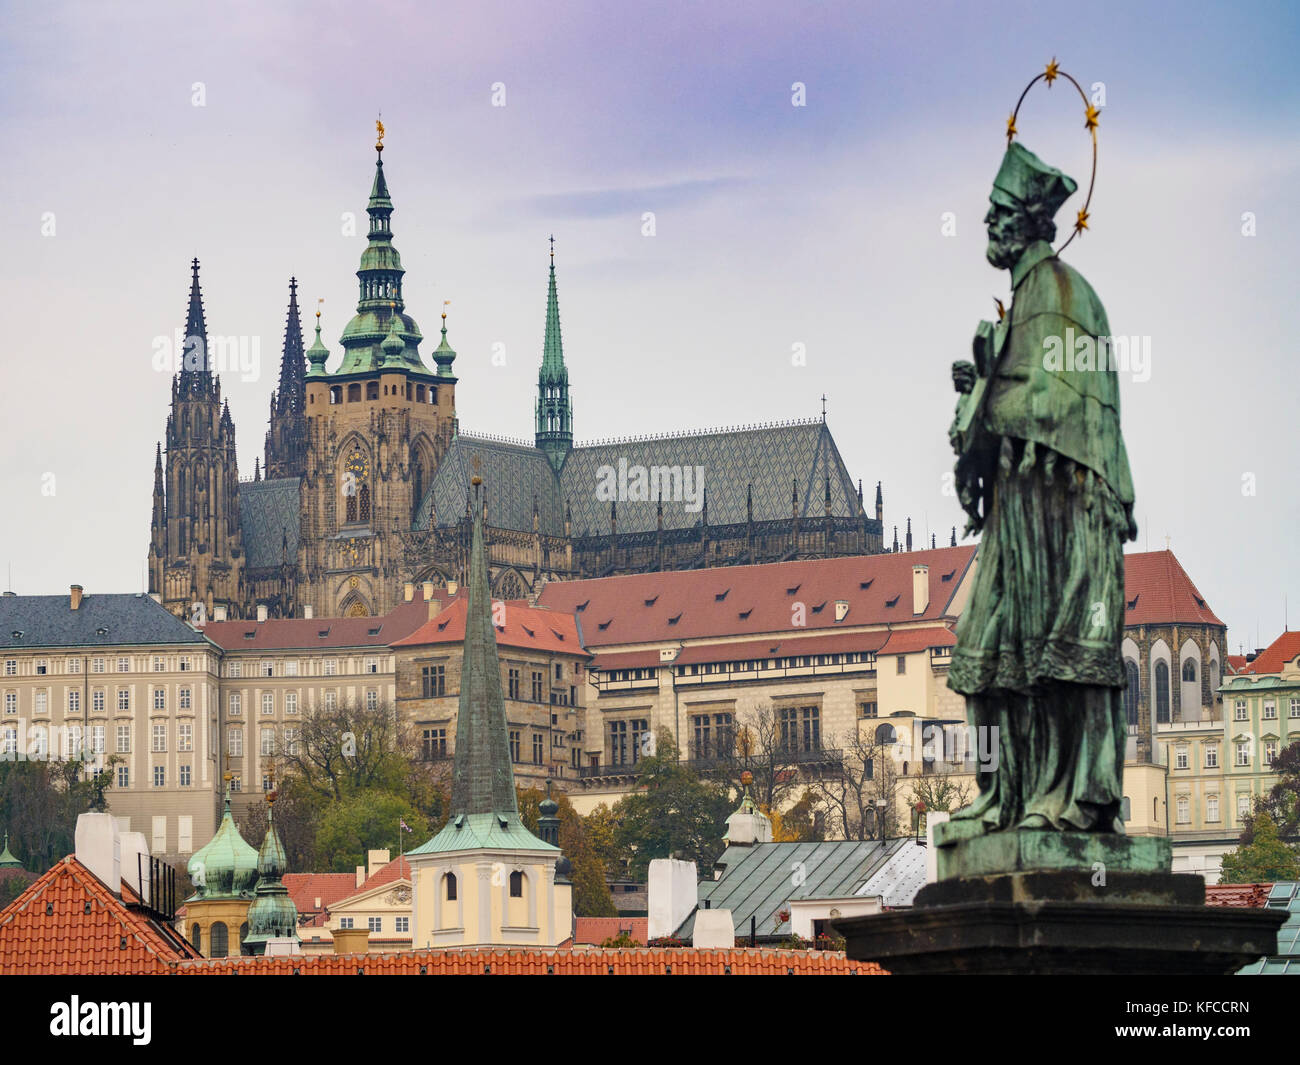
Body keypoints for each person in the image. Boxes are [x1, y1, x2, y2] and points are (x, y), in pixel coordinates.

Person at [947, 142, 1137, 833]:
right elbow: (1010, 401)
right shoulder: (1022, 302)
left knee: (1062, 654)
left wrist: (984, 403)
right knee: (985, 648)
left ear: (1027, 220)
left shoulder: (1065, 295)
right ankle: (1004, 793)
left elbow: (1060, 406)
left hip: (1064, 508)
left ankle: (1065, 796)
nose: (987, 226)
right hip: (1018, 508)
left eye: (997, 213)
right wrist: (980, 398)